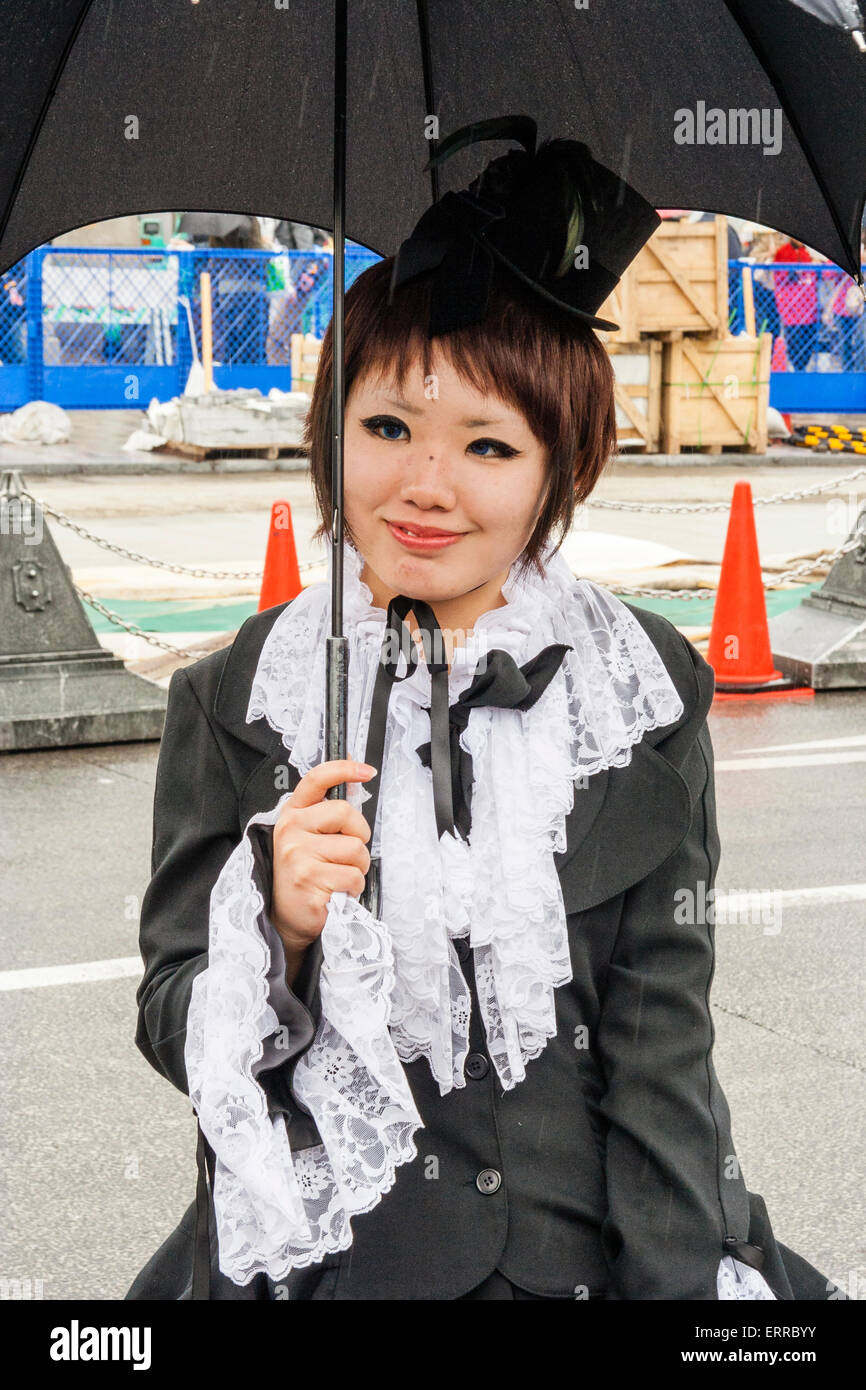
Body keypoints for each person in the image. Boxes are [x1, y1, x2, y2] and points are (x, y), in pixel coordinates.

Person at [127, 117, 845, 1302]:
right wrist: (280, 932)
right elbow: (170, 1017)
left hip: (586, 1259)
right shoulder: (240, 697)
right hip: (326, 1262)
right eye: (386, 427)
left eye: (488, 445)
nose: (423, 485)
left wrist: (676, 1290)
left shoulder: (637, 692)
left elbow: (661, 1039)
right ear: (328, 432)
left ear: (562, 470)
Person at [773, 236, 819, 371]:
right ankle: (796, 368)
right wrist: (789, 273)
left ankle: (802, 368)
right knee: (794, 343)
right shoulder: (782, 252)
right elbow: (777, 276)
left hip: (809, 308)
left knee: (808, 343)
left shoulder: (810, 252)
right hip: (791, 309)